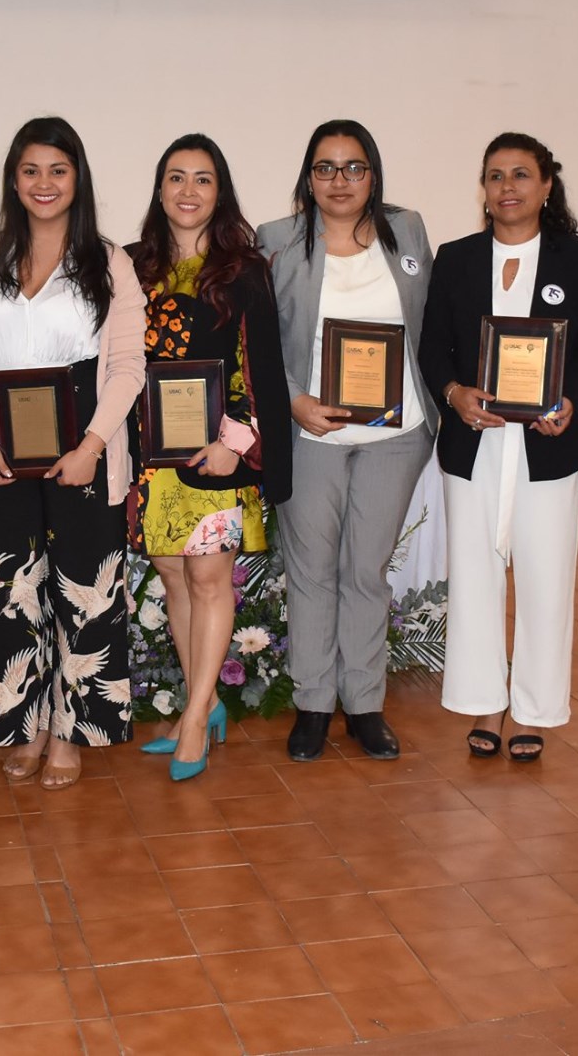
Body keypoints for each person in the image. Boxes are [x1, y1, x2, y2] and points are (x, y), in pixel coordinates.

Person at [0, 117, 146, 790]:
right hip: (2, 444)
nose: (44, 183)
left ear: (77, 179)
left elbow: (127, 364)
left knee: (83, 590)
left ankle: (69, 732)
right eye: (31, 170)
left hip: (85, 440)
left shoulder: (108, 259)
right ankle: (28, 724)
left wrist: (94, 443)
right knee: (12, 592)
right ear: (14, 178)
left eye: (57, 170)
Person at [418, 133, 578, 763]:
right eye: (496, 175)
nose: (508, 187)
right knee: (474, 579)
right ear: (484, 187)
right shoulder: (456, 257)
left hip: (545, 447)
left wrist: (571, 401)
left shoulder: (577, 259)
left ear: (547, 185)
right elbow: (433, 347)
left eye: (522, 175)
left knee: (545, 579)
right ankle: (483, 701)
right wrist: (454, 393)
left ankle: (533, 709)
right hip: (475, 446)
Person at [258, 120, 434, 762]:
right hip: (311, 434)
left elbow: (431, 321)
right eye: (326, 168)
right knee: (310, 571)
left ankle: (363, 705)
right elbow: (258, 342)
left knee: (366, 570)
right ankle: (312, 703)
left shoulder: (407, 230)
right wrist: (293, 401)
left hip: (396, 433)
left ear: (373, 174)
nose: (340, 181)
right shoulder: (277, 241)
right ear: (308, 178)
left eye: (353, 167)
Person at [127, 134, 291, 781]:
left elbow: (262, 367)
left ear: (219, 192)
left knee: (209, 580)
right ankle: (209, 698)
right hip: (155, 458)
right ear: (160, 188)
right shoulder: (134, 266)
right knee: (172, 573)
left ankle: (194, 718)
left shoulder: (243, 269)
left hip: (220, 453)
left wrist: (237, 441)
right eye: (176, 177)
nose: (188, 191)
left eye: (202, 179)